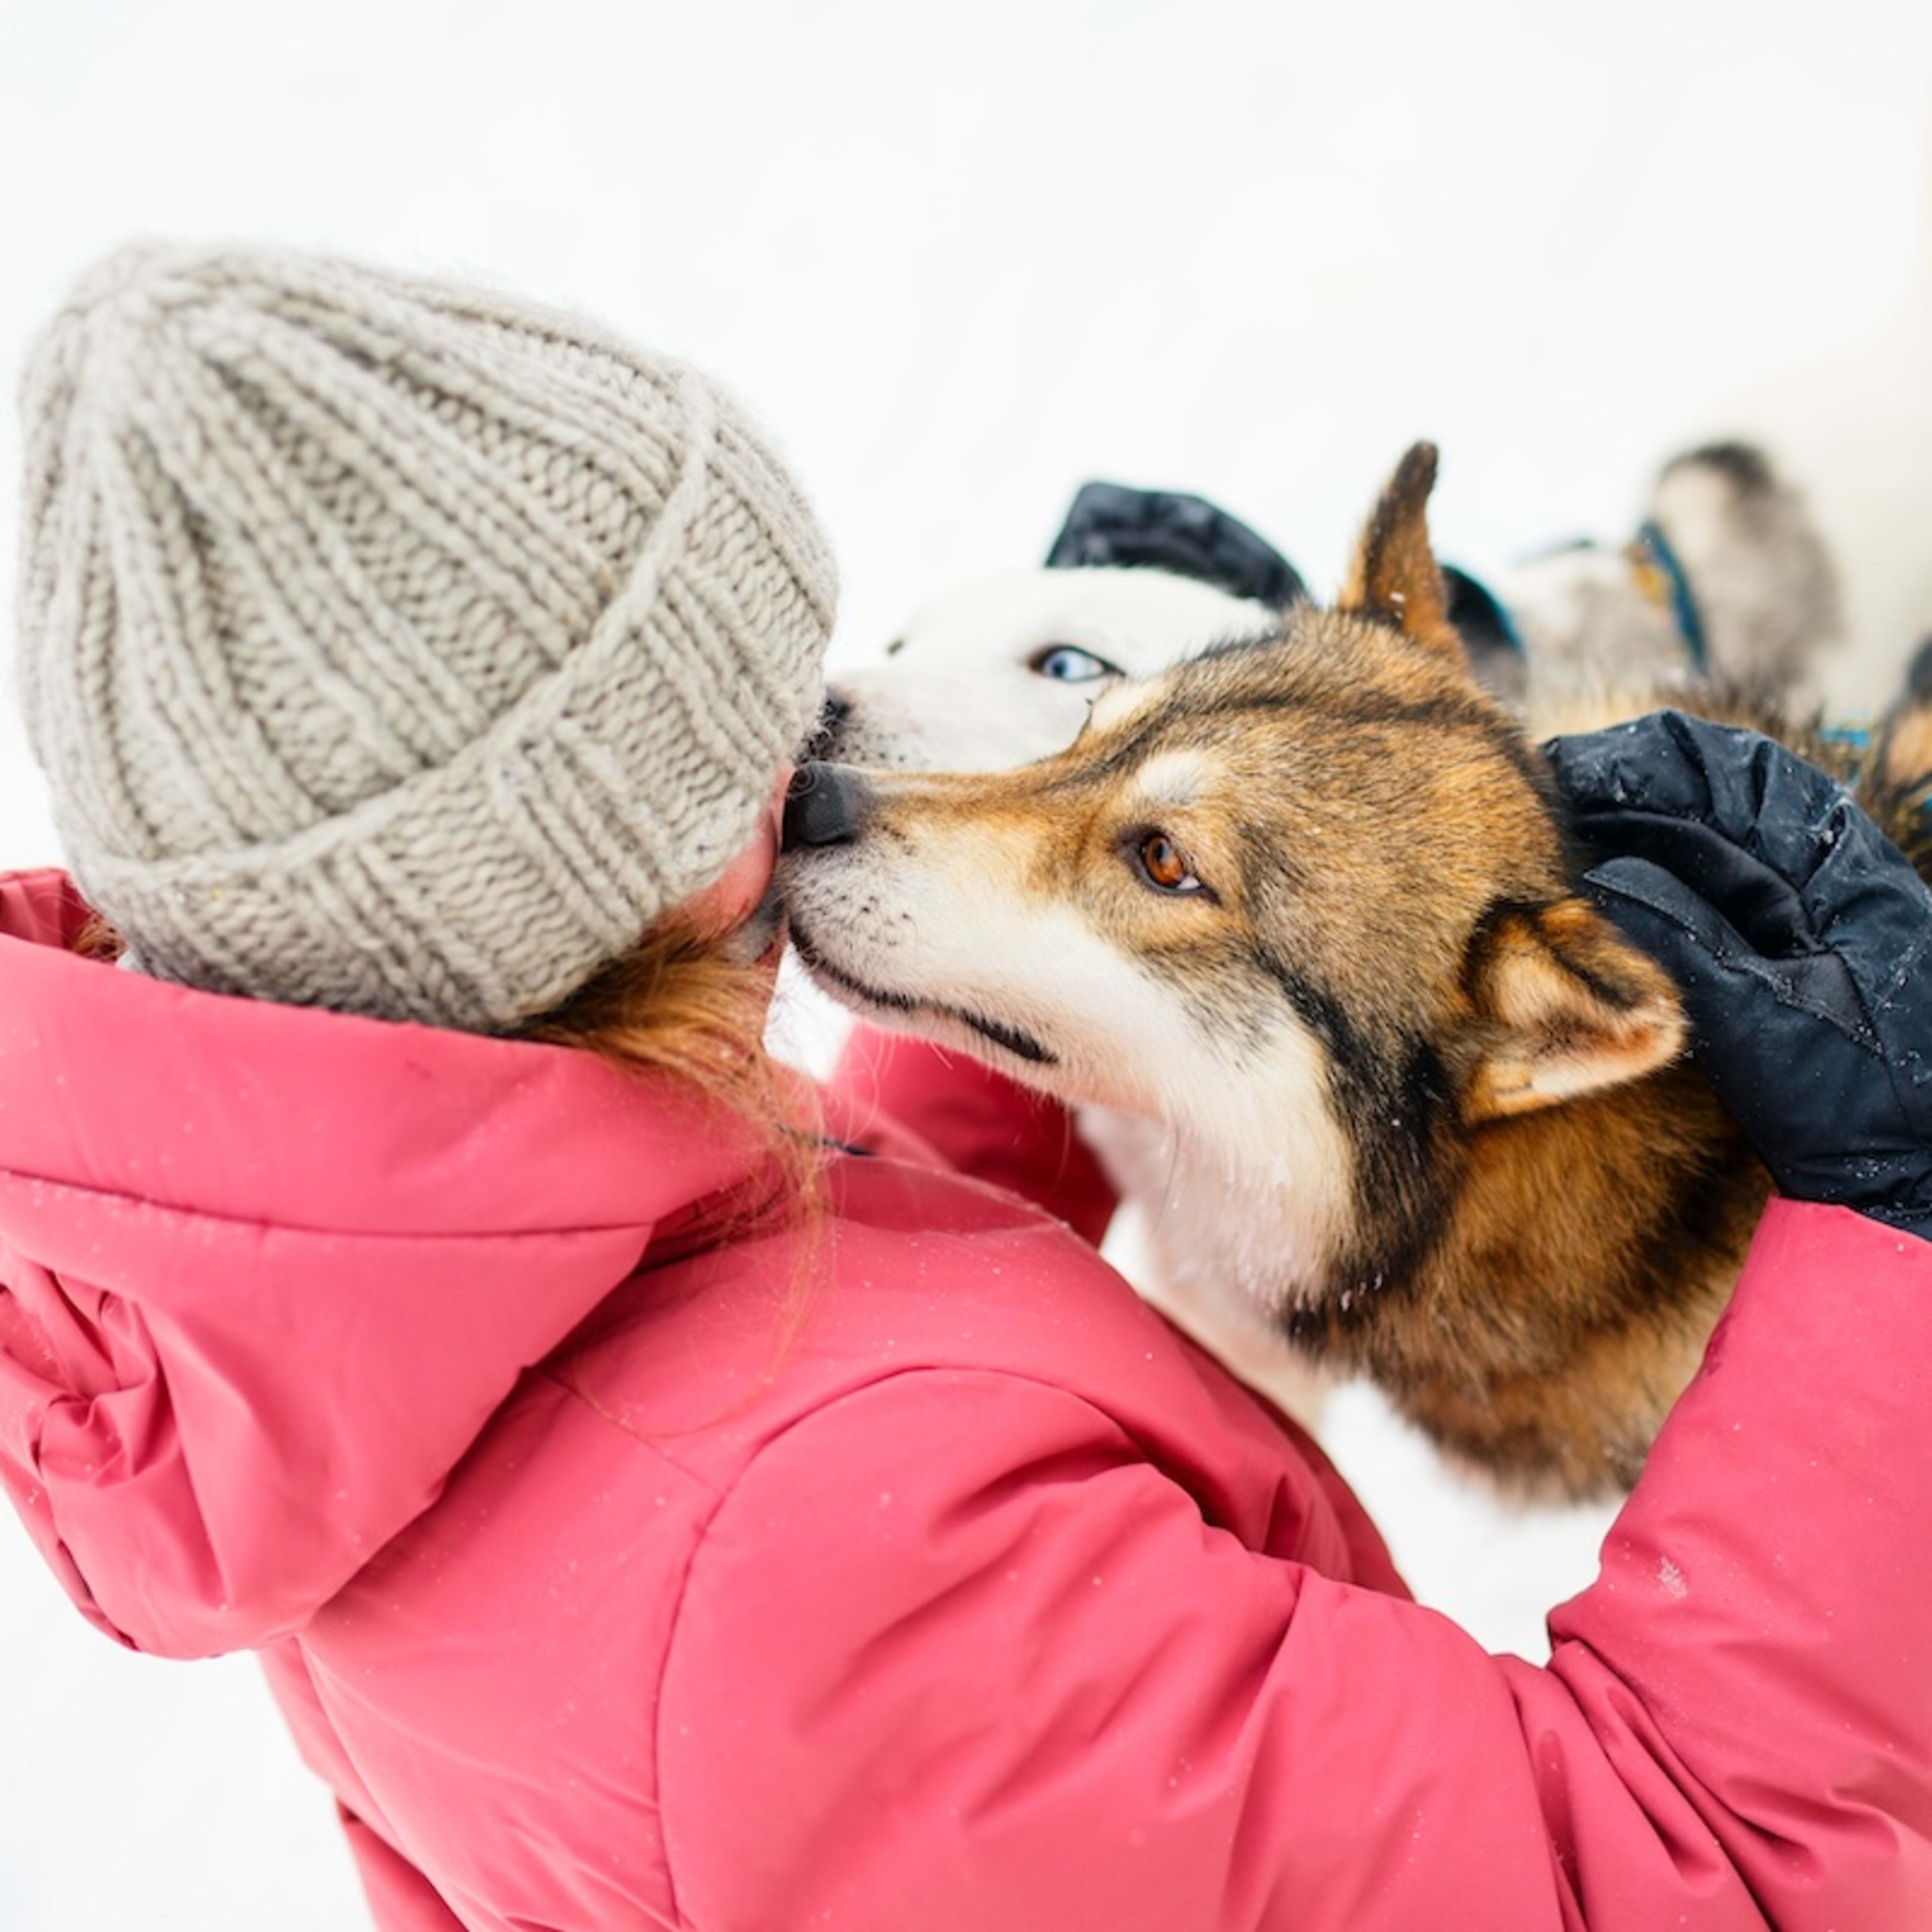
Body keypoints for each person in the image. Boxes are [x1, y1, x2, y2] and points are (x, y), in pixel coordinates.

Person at [2, 244, 1930, 1932]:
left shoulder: (350, 1317)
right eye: (739, 719)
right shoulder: (839, 1596)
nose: (823, 736)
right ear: (544, 877)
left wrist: (1086, 941)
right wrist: (1892, 1215)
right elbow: (1682, 1875)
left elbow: (791, 1313)